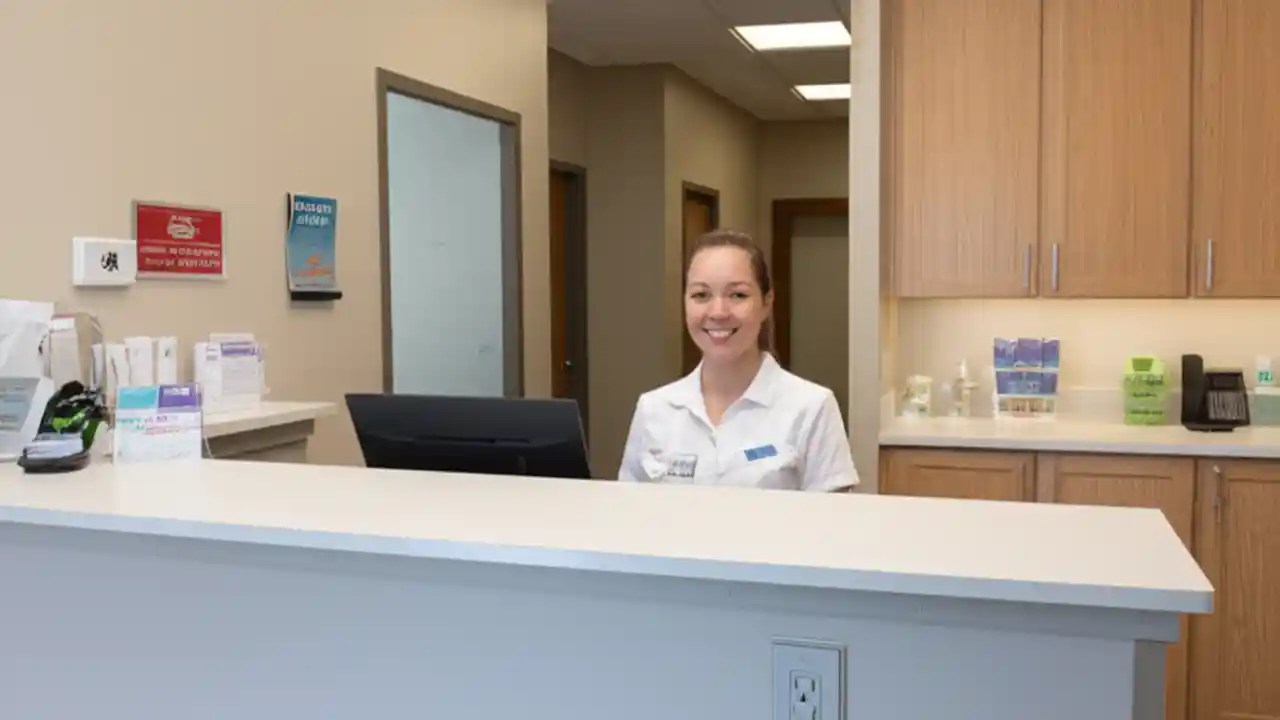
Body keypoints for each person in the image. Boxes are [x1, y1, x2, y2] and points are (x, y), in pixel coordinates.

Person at [618, 229, 859, 492]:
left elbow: (834, 525)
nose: (718, 312)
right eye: (701, 295)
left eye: (738, 295)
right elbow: (631, 516)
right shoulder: (654, 409)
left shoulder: (812, 407)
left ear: (766, 303)